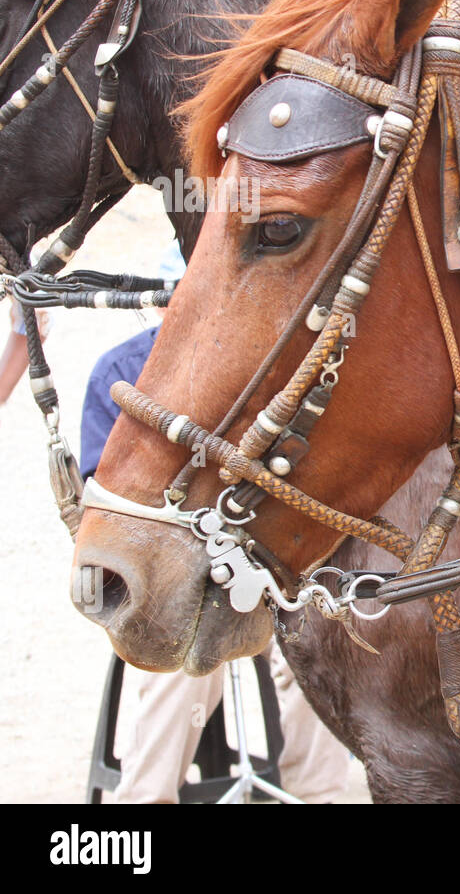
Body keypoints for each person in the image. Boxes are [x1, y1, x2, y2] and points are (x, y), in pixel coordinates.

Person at [80, 244, 352, 804]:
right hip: (173, 575)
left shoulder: (257, 371)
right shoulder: (120, 373)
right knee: (173, 658)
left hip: (267, 572)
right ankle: (144, 808)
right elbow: (102, 503)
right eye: (177, 301)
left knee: (322, 646)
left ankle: (317, 797)